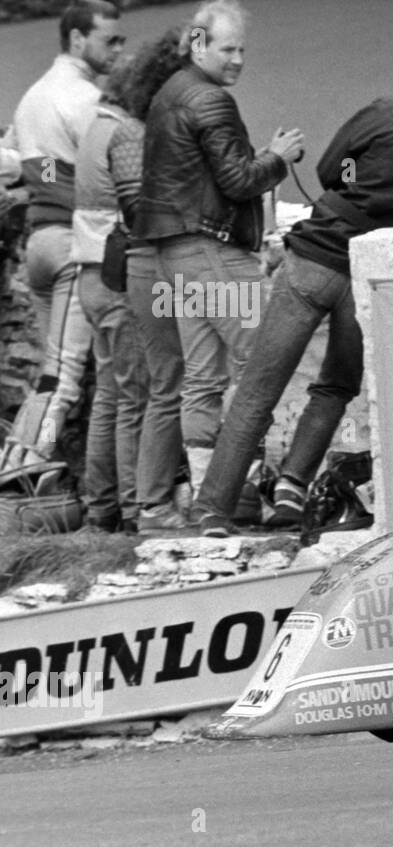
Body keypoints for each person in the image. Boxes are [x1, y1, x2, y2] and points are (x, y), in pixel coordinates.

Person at [194, 33, 393, 537]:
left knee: (259, 387)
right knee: (335, 387)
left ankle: (214, 512)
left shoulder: (383, 112)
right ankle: (292, 489)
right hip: (369, 281)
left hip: (312, 261)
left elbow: (329, 171)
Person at [135, 0, 303, 508]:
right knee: (262, 365)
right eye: (227, 48)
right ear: (198, 43)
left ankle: (210, 498)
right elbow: (238, 179)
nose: (237, 59)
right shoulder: (211, 100)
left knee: (203, 379)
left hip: (173, 256)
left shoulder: (169, 93)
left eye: (242, 49)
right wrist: (278, 158)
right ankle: (248, 489)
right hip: (211, 251)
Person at [2, 0, 127, 470]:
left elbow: (7, 157)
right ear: (77, 39)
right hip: (73, 248)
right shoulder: (86, 100)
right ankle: (26, 464)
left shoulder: (33, 94)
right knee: (64, 379)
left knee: (50, 370)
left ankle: (18, 457)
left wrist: (36, 174)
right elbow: (113, 173)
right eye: (109, 39)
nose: (118, 49)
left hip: (37, 247)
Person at [111, 27, 189, 531]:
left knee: (182, 380)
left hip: (169, 262)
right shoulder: (132, 134)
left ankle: (157, 498)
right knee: (166, 383)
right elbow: (140, 211)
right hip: (153, 264)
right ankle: (150, 505)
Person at [72, 55, 149, 533]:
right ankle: (134, 505)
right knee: (135, 396)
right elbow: (138, 209)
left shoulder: (93, 128)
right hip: (118, 275)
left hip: (88, 271)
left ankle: (100, 507)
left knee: (108, 394)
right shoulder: (125, 133)